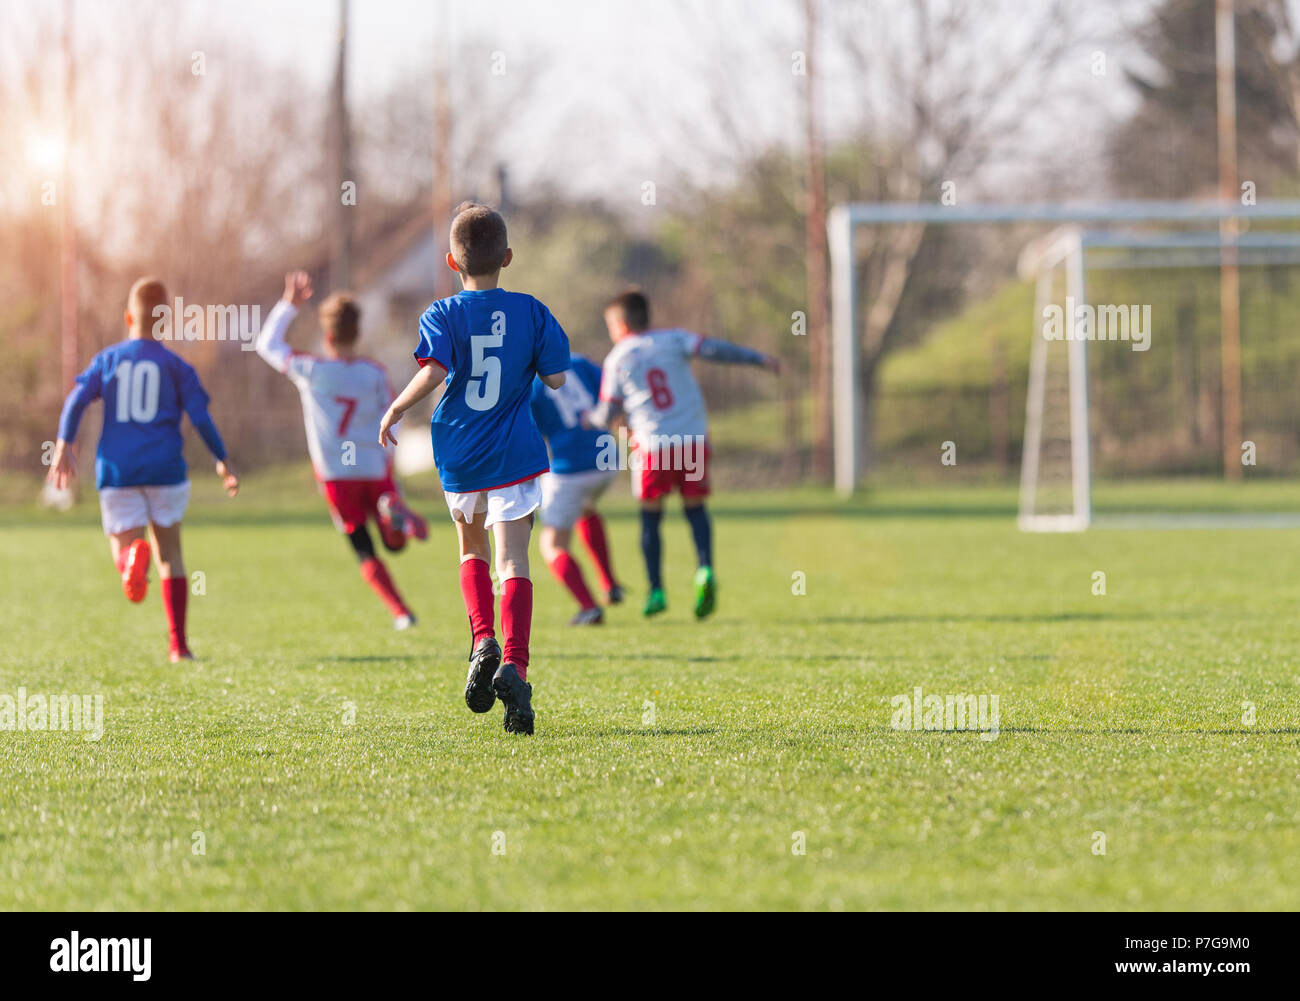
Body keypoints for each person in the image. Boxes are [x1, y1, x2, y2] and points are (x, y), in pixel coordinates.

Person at [380, 202, 570, 735]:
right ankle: (516, 665)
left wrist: (397, 407)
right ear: (507, 257)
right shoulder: (531, 310)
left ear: (450, 261)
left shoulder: (441, 314)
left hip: (460, 451)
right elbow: (556, 379)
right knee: (515, 563)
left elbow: (435, 371)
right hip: (515, 454)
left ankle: (481, 637)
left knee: (471, 552)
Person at [48, 276, 239, 662]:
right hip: (166, 469)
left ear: (127, 317)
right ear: (164, 322)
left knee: (123, 546)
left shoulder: (109, 359)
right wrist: (222, 459)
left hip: (119, 470)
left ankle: (130, 560)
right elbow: (200, 417)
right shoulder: (176, 367)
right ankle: (179, 646)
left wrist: (63, 446)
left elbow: (76, 400)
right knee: (171, 556)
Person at [587, 288, 778, 619]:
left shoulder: (618, 357)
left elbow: (607, 413)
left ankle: (656, 589)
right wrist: (757, 359)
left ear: (619, 323)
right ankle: (704, 568)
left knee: (651, 517)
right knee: (696, 509)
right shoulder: (675, 340)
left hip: (653, 447)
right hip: (693, 441)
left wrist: (587, 419)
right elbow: (716, 350)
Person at [256, 270, 427, 630]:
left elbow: (266, 345)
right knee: (396, 545)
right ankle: (388, 511)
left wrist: (290, 305)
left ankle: (401, 612)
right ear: (357, 333)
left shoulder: (312, 370)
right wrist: (390, 463)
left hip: (337, 473)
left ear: (328, 335)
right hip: (373, 464)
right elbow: (393, 417)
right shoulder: (374, 372)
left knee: (363, 547)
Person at [529, 353, 623, 625]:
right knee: (586, 507)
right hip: (607, 460)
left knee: (552, 544)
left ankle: (589, 607)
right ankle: (609, 583)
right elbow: (613, 390)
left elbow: (529, 432)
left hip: (569, 468)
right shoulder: (579, 362)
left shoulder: (530, 383)